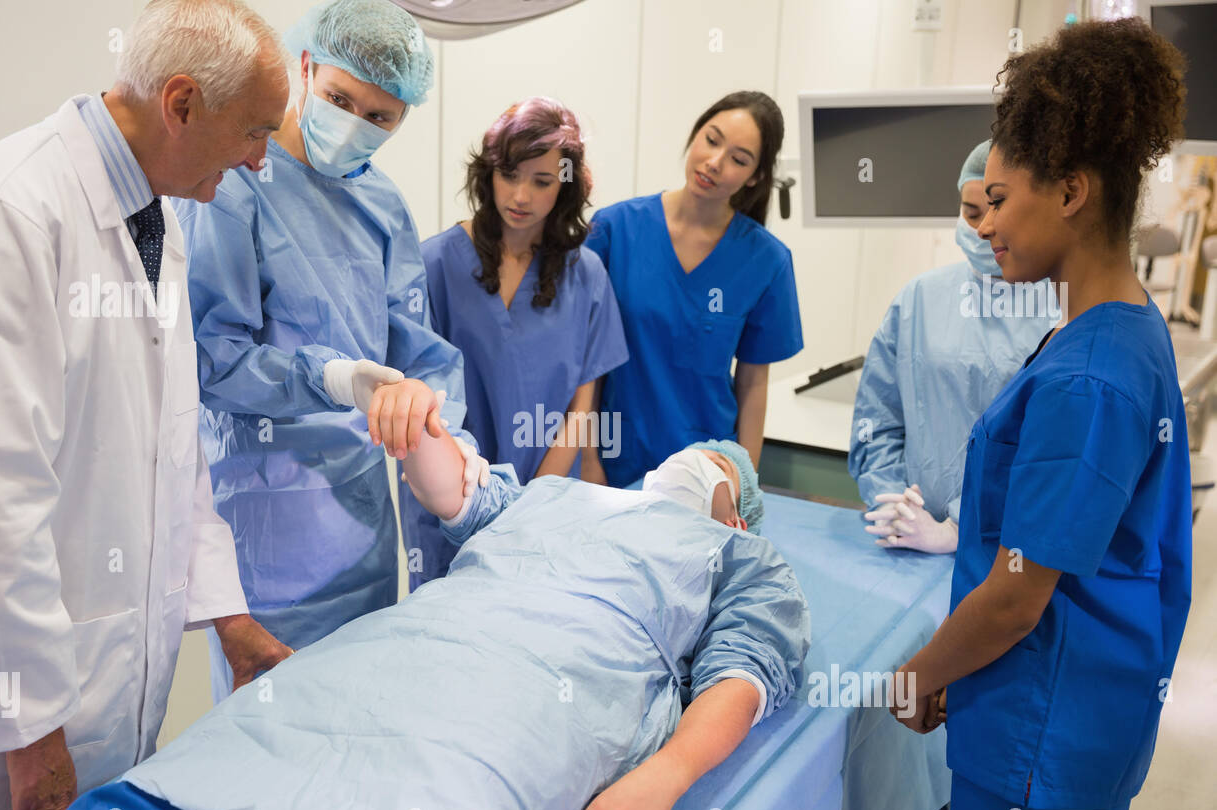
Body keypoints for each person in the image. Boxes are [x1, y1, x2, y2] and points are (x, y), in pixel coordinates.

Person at [37, 414, 804, 810]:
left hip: (539, 691)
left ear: (736, 514)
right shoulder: (553, 495)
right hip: (400, 649)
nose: (689, 468)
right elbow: (459, 495)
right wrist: (419, 421)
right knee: (174, 806)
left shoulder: (737, 555)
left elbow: (743, 675)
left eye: (716, 472)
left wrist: (662, 779)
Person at [0, 0, 293, 810]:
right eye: (254, 133)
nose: (260, 160)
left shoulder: (156, 220)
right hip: (6, 736)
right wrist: (32, 728)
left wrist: (227, 617)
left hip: (108, 694)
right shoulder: (7, 209)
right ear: (183, 104)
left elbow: (173, 450)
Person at [889, 18, 1191, 810]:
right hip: (1074, 711)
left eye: (999, 198)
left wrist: (923, 672)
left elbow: (1019, 595)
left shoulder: (1088, 377)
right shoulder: (1122, 328)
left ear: (1069, 192)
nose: (984, 226)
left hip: (1041, 739)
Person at [173, 0, 488, 701]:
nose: (354, 125)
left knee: (360, 719)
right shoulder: (233, 186)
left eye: (379, 117)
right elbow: (211, 357)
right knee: (270, 735)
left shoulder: (383, 205)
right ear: (307, 67)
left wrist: (449, 436)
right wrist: (337, 379)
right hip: (266, 523)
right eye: (341, 99)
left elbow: (419, 349)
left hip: (361, 523)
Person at [403, 96, 629, 586]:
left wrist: (536, 499)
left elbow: (583, 403)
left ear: (564, 187)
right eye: (509, 174)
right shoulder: (436, 265)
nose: (521, 195)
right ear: (488, 174)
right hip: (452, 495)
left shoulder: (584, 274)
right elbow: (422, 400)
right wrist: (470, 499)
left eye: (542, 181)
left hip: (546, 500)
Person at [584, 90, 804, 488]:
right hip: (614, 461)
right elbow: (585, 361)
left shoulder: (766, 261)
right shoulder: (614, 230)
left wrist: (743, 483)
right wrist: (587, 461)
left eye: (738, 159)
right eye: (711, 139)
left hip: (706, 476)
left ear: (754, 176)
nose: (714, 162)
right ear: (695, 134)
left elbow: (754, 384)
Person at [850, 139, 1060, 555]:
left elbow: (1051, 454)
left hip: (1012, 554)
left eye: (998, 207)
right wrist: (894, 502)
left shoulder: (1061, 309)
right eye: (971, 212)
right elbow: (877, 420)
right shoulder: (919, 300)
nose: (983, 228)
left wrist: (961, 527)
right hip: (910, 542)